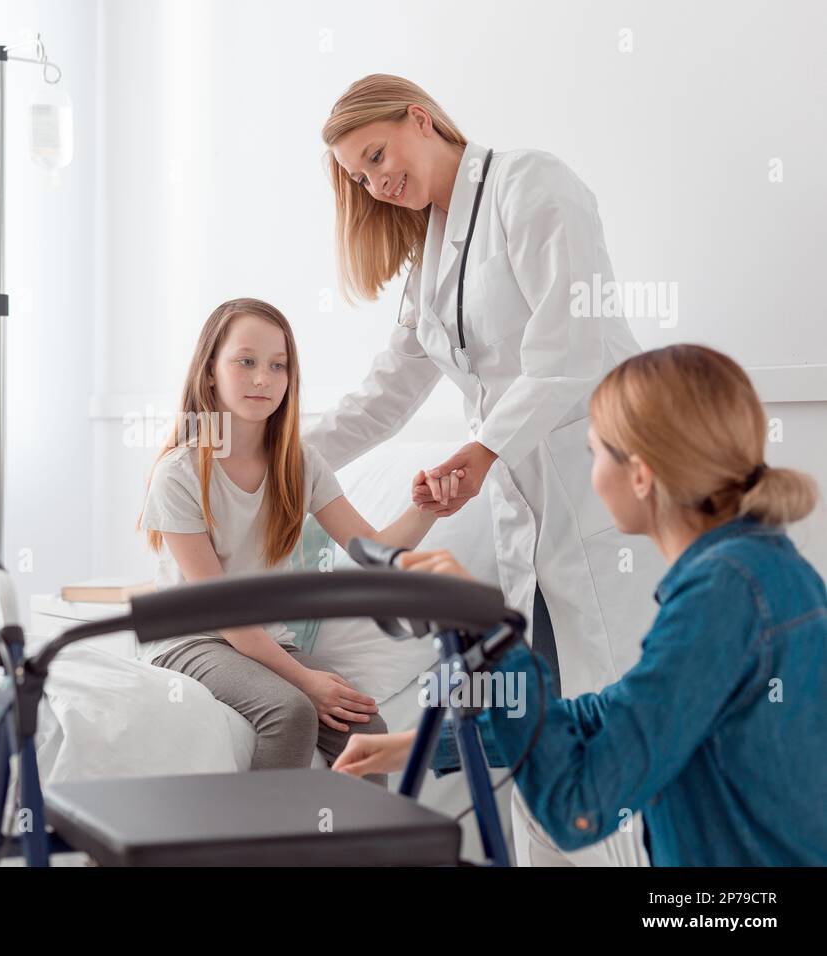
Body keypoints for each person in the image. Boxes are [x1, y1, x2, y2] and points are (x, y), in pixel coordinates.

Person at [305, 73, 660, 864]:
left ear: (419, 118)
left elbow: (569, 350)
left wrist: (481, 448)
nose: (376, 182)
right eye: (359, 177)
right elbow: (386, 394)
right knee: (538, 733)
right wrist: (278, 462)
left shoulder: (532, 186)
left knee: (604, 727)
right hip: (522, 521)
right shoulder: (427, 256)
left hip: (601, 502)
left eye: (375, 155)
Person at [334, 344, 827, 866]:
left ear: (640, 475)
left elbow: (577, 809)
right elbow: (613, 715)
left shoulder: (722, 595)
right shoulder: (759, 571)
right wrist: (426, 744)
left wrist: (491, 631)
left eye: (595, 454)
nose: (591, 477)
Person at [138, 297, 462, 785]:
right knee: (289, 711)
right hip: (193, 637)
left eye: (277, 365)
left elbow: (372, 550)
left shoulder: (301, 463)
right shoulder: (180, 474)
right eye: (245, 362)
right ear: (209, 372)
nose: (263, 378)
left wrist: (425, 508)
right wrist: (307, 681)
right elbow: (220, 610)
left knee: (365, 729)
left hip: (265, 641)